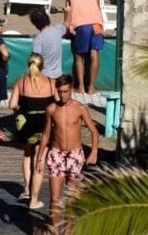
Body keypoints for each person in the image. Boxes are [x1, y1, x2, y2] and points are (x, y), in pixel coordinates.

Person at [36, 74, 99, 232]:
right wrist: (39, 158)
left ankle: (69, 232)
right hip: (56, 154)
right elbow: (45, 135)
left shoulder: (79, 108)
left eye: (65, 91)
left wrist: (94, 151)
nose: (62, 95)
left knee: (71, 200)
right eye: (59, 91)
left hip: (74, 155)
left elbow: (94, 131)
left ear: (71, 89)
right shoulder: (51, 109)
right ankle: (55, 231)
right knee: (55, 199)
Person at [9, 53, 58, 210]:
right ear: (42, 66)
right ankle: (34, 200)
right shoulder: (51, 82)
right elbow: (57, 104)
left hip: (26, 124)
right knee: (40, 160)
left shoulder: (21, 81)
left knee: (27, 155)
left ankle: (27, 190)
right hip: (44, 124)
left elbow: (12, 105)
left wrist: (23, 107)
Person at [64, 0, 104, 94]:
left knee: (79, 56)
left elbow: (67, 10)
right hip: (97, 24)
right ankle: (91, 87)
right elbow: (99, 8)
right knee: (94, 55)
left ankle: (81, 86)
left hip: (81, 24)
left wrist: (68, 26)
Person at [30, 9, 66, 79]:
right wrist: (68, 12)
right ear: (47, 18)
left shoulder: (38, 39)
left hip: (44, 76)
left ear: (35, 24)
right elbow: (66, 23)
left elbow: (35, 61)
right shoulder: (58, 29)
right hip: (58, 75)